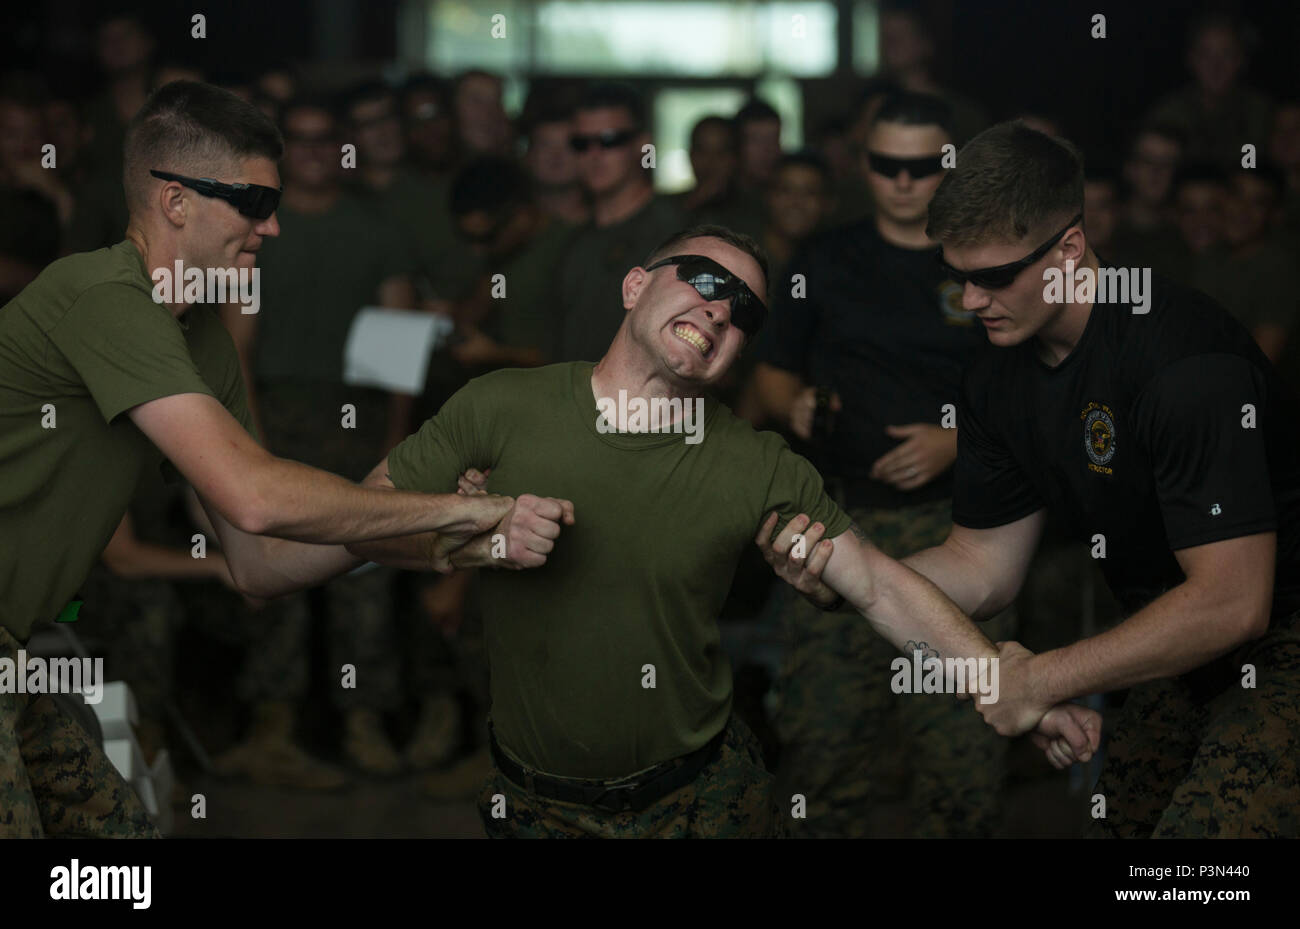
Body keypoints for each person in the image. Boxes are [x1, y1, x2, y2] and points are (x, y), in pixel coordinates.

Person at [344, 223, 1100, 838]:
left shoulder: (756, 463)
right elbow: (360, 521)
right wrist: (479, 532)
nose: (720, 312)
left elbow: (875, 582)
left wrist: (1009, 682)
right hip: (533, 804)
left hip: (700, 805)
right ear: (636, 284)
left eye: (745, 313)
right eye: (705, 282)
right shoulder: (502, 406)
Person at [0, 80, 510, 837]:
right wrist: (453, 507)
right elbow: (255, 495)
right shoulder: (100, 295)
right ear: (177, 201)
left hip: (12, 656)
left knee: (116, 854)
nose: (271, 230)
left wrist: (437, 540)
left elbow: (259, 559)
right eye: (255, 205)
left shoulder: (202, 338)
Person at [776, 121, 1300, 838]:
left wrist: (1040, 678)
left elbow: (1236, 602)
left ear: (1071, 249)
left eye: (994, 277)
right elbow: (981, 565)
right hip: (1176, 636)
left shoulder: (1183, 365)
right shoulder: (997, 375)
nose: (971, 300)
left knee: (1193, 868)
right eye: (957, 276)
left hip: (1278, 639)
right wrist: (855, 576)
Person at [753, 93, 1015, 837]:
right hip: (840, 524)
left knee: (963, 756)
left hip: (967, 530)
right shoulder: (824, 259)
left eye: (922, 166)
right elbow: (770, 376)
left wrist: (956, 439)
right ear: (863, 165)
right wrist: (794, 401)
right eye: (885, 165)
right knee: (826, 749)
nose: (903, 182)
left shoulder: (991, 255)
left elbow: (1043, 393)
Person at [554, 82, 683, 362]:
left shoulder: (675, 233)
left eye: (610, 140)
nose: (594, 154)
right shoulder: (571, 241)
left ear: (642, 145)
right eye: (581, 144)